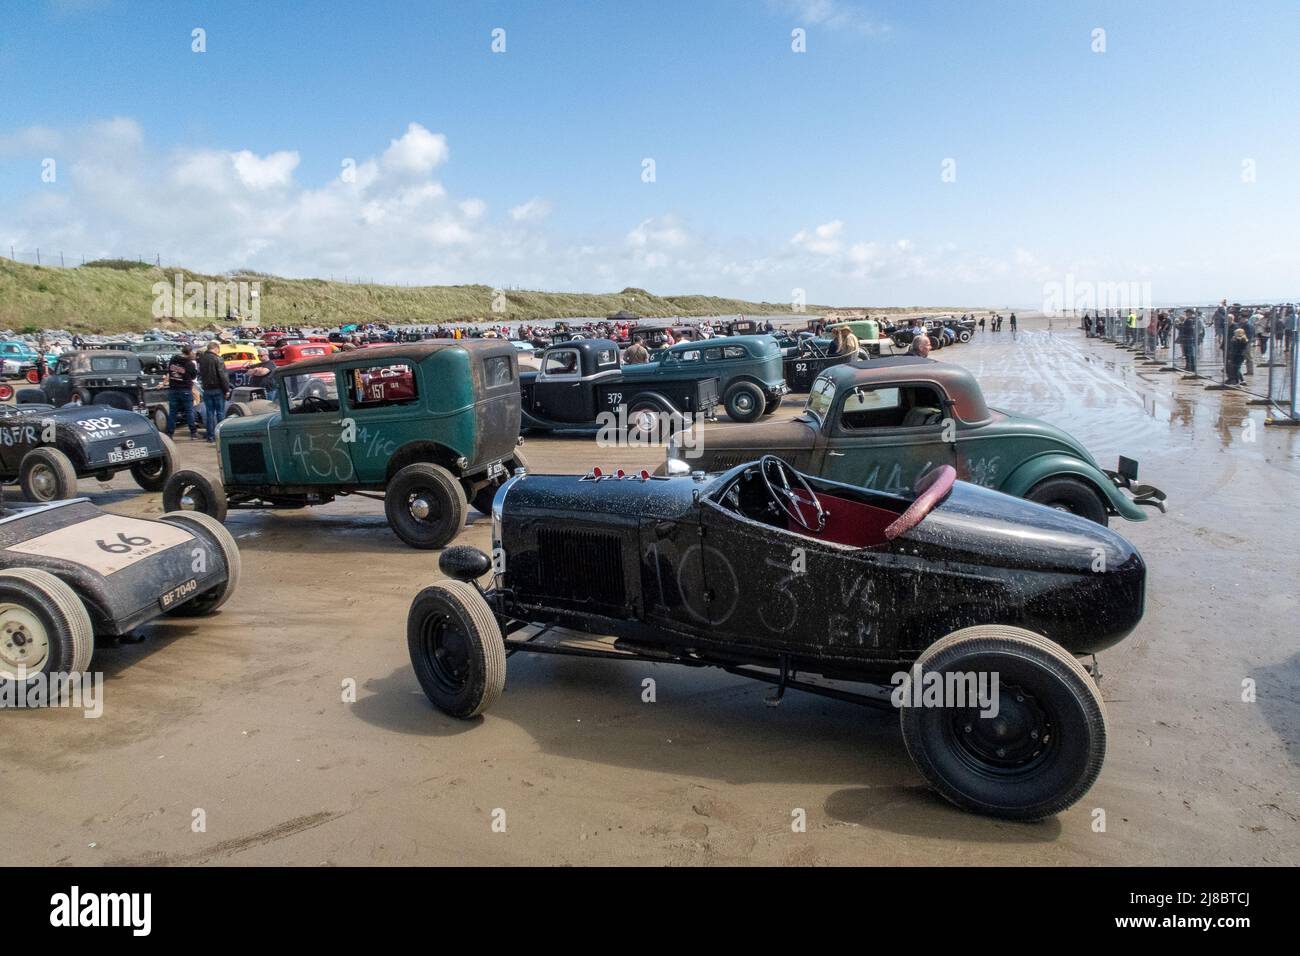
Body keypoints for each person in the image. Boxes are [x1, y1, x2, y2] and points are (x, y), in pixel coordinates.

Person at [197, 341, 231, 442]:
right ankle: (221, 435)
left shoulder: (201, 359)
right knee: (220, 413)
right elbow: (223, 376)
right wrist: (227, 390)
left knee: (209, 413)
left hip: (207, 389)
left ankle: (210, 436)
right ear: (216, 348)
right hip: (218, 389)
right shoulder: (218, 359)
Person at [166, 345, 199, 439]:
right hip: (185, 389)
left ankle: (169, 434)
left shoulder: (173, 360)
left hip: (173, 389)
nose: (193, 354)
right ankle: (193, 433)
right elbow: (193, 376)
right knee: (189, 411)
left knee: (172, 412)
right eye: (192, 352)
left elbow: (169, 371)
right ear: (189, 352)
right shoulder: (189, 363)